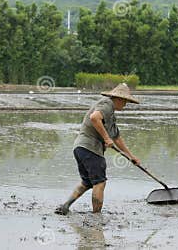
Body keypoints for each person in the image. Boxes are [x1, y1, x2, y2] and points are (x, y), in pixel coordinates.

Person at [55, 83, 140, 215]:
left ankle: (65, 206)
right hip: (90, 148)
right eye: (125, 102)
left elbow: (117, 138)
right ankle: (96, 215)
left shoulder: (111, 115)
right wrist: (106, 138)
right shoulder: (107, 104)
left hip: (80, 148)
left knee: (87, 182)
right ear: (119, 99)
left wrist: (131, 156)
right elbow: (94, 118)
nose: (125, 105)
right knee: (100, 182)